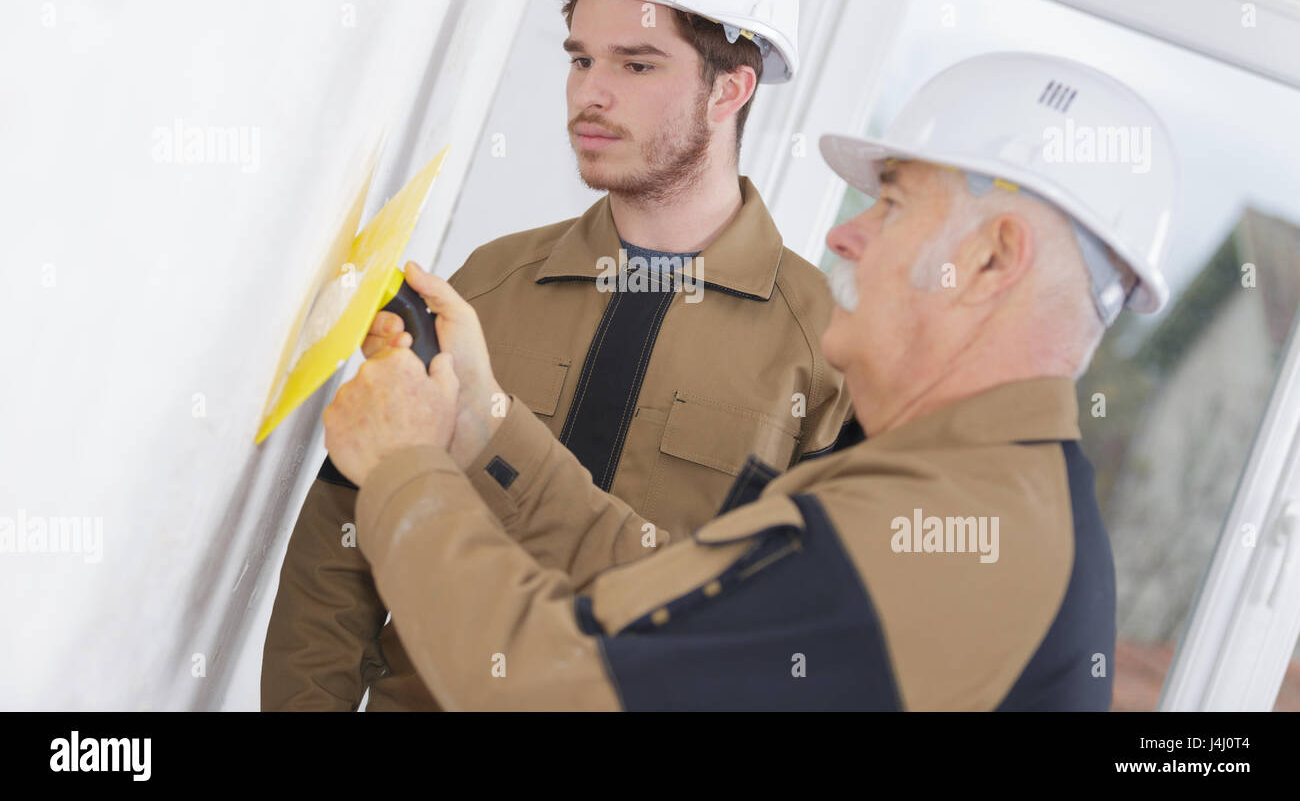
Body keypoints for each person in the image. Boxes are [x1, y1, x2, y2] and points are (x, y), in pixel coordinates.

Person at [322, 51, 1178, 709]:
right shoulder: (968, 492)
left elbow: (553, 687)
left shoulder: (951, 532)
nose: (846, 238)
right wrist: (479, 423)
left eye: (892, 204)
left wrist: (404, 470)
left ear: (992, 260)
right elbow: (676, 597)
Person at [263, 0, 855, 711]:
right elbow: (342, 536)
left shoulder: (828, 353)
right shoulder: (486, 288)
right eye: (581, 58)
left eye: (637, 64)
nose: (589, 94)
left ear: (730, 90)